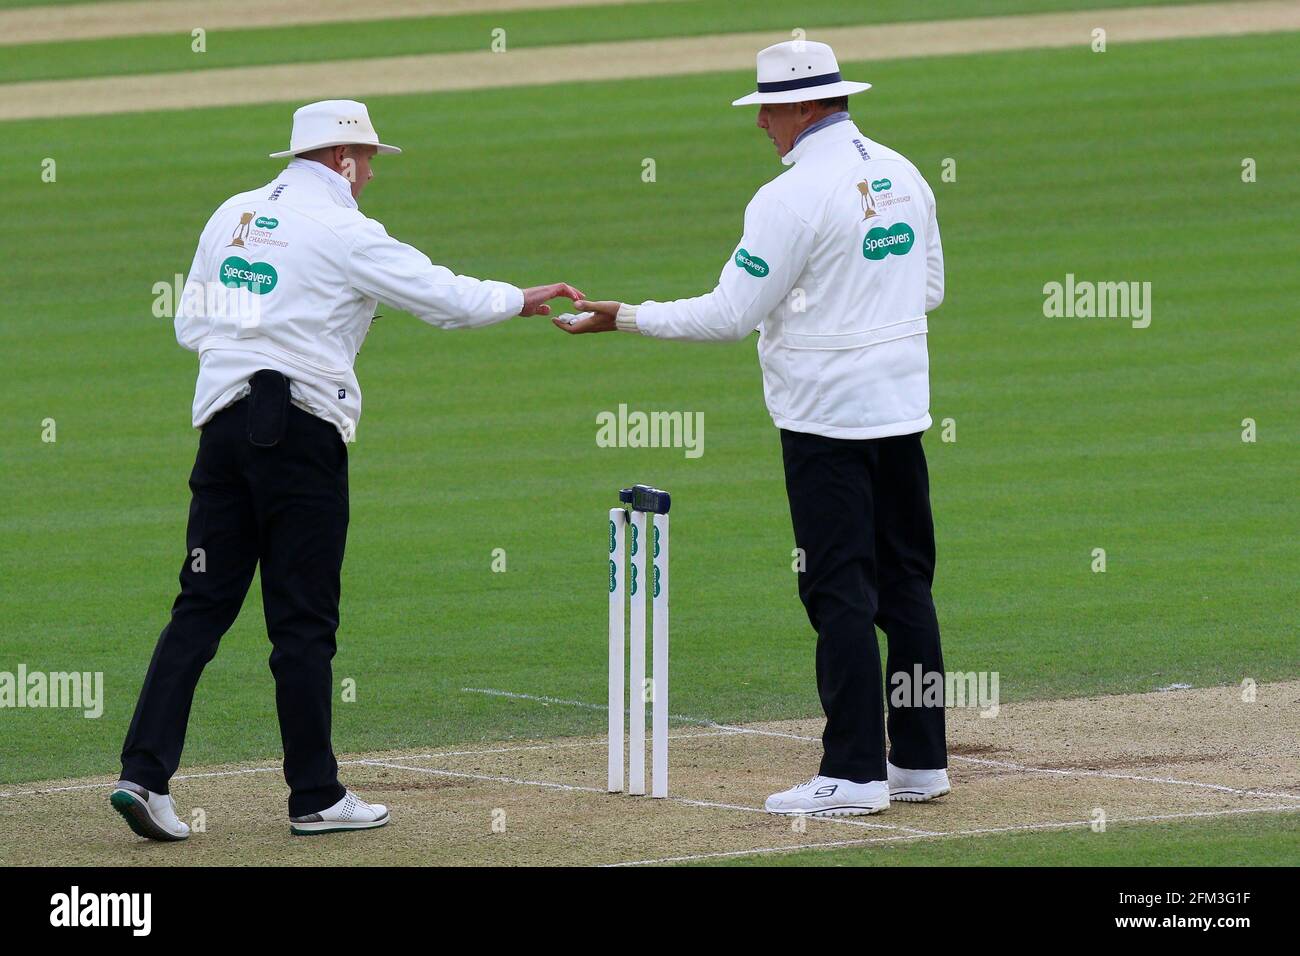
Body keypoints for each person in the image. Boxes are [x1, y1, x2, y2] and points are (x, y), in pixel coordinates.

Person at [111, 99, 581, 840]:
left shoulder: (230, 213)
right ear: (341, 158)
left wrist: (259, 336)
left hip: (221, 428)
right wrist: (519, 300)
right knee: (301, 623)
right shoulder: (344, 228)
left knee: (198, 608)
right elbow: (443, 299)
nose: (368, 178)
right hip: (298, 433)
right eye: (365, 163)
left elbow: (188, 325)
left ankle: (142, 775)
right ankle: (315, 797)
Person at [556, 42, 950, 817]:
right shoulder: (902, 171)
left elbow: (729, 315)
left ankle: (854, 772)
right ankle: (921, 762)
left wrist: (626, 316)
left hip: (824, 420)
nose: (762, 123)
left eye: (768, 109)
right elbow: (928, 287)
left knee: (838, 590)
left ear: (804, 108)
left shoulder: (791, 196)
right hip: (901, 412)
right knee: (906, 587)